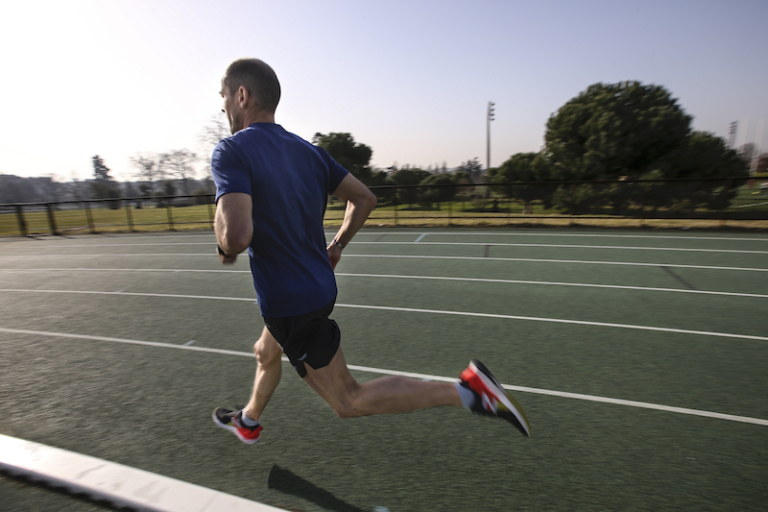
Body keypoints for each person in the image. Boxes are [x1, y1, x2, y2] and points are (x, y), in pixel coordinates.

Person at [210, 58, 531, 444]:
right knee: (267, 350)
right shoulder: (309, 151)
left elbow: (236, 238)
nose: (223, 105)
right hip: (315, 284)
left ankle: (469, 391)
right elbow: (364, 198)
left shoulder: (230, 151)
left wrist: (221, 236)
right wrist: (337, 246)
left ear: (242, 95)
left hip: (290, 302)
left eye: (225, 96)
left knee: (348, 399)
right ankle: (248, 420)